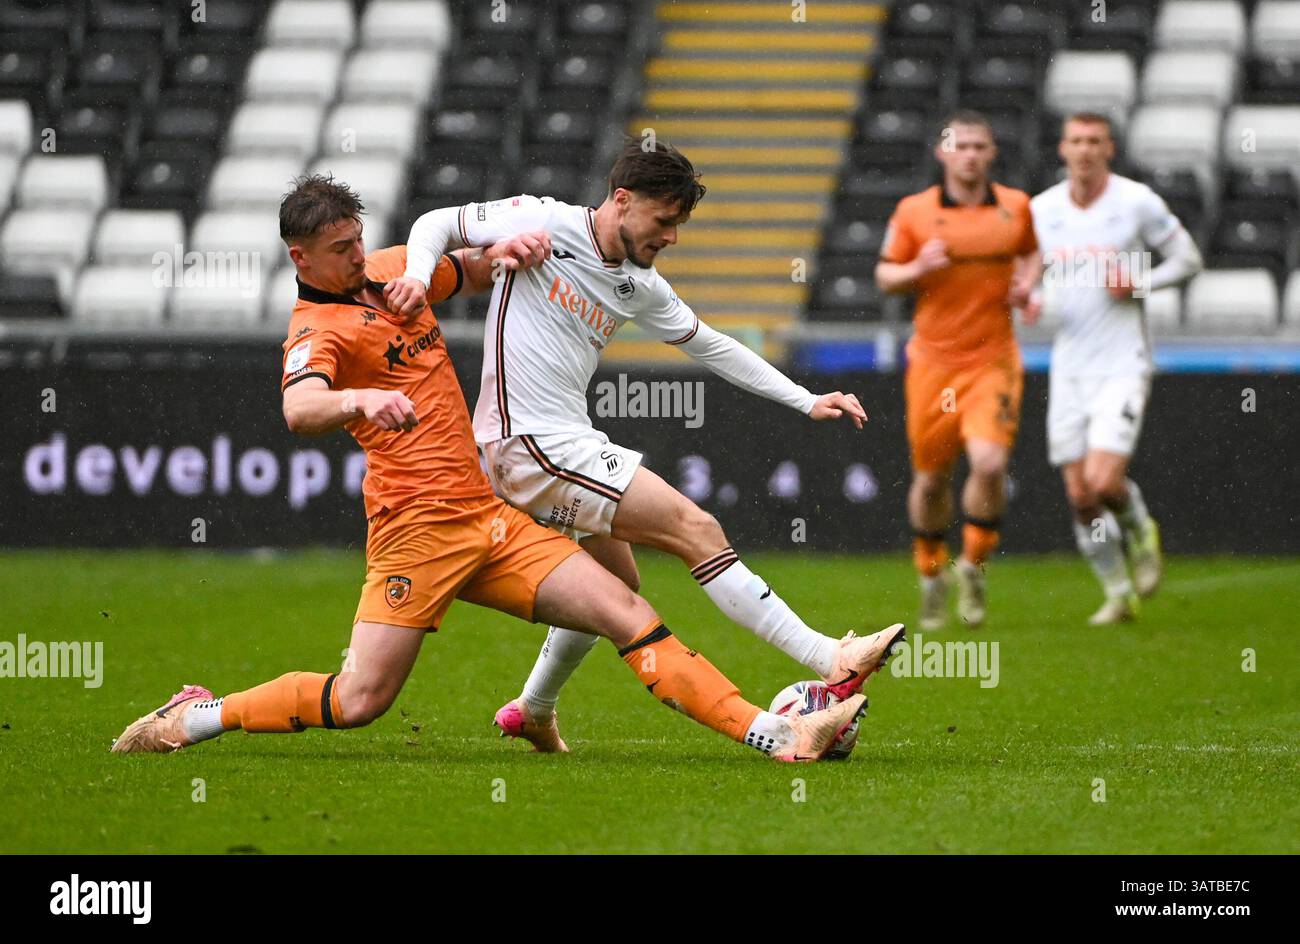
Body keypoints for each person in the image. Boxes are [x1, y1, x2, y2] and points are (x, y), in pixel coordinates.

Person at [110, 174, 869, 763]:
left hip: (489, 518)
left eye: (358, 241)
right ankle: (197, 717)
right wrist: (363, 399)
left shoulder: (383, 274)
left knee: (627, 610)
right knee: (360, 698)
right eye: (339, 250)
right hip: (415, 532)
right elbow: (300, 410)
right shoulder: (317, 328)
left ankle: (778, 735)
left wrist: (500, 254)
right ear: (299, 256)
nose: (355, 258)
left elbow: (462, 273)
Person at [382, 139, 903, 753]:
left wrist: (806, 399)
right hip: (527, 445)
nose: (673, 237)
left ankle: (533, 708)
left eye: (680, 225)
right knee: (695, 526)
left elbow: (712, 345)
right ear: (622, 201)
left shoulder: (640, 285)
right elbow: (436, 223)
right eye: (665, 221)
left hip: (562, 442)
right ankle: (830, 659)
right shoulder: (545, 221)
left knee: (614, 588)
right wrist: (418, 278)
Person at [1030, 112, 1202, 624]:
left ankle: (1141, 528)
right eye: (1076, 140)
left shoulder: (1136, 202)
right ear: (1062, 149)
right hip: (1069, 366)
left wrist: (1140, 281)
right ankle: (1117, 592)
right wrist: (1029, 301)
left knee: (1105, 483)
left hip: (1123, 361)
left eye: (1095, 141)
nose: (1084, 150)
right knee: (1080, 495)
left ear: (1110, 149)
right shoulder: (1042, 211)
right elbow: (1027, 280)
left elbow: (1188, 259)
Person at [875, 110, 1041, 630]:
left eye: (979, 146)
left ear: (992, 154)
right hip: (933, 364)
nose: (970, 154)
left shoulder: (1016, 207)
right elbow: (884, 275)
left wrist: (1027, 286)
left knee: (989, 464)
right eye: (960, 145)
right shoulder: (914, 212)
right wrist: (916, 269)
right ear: (942, 153)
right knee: (931, 478)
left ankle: (973, 563)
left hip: (993, 361)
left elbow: (1033, 255)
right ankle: (931, 573)